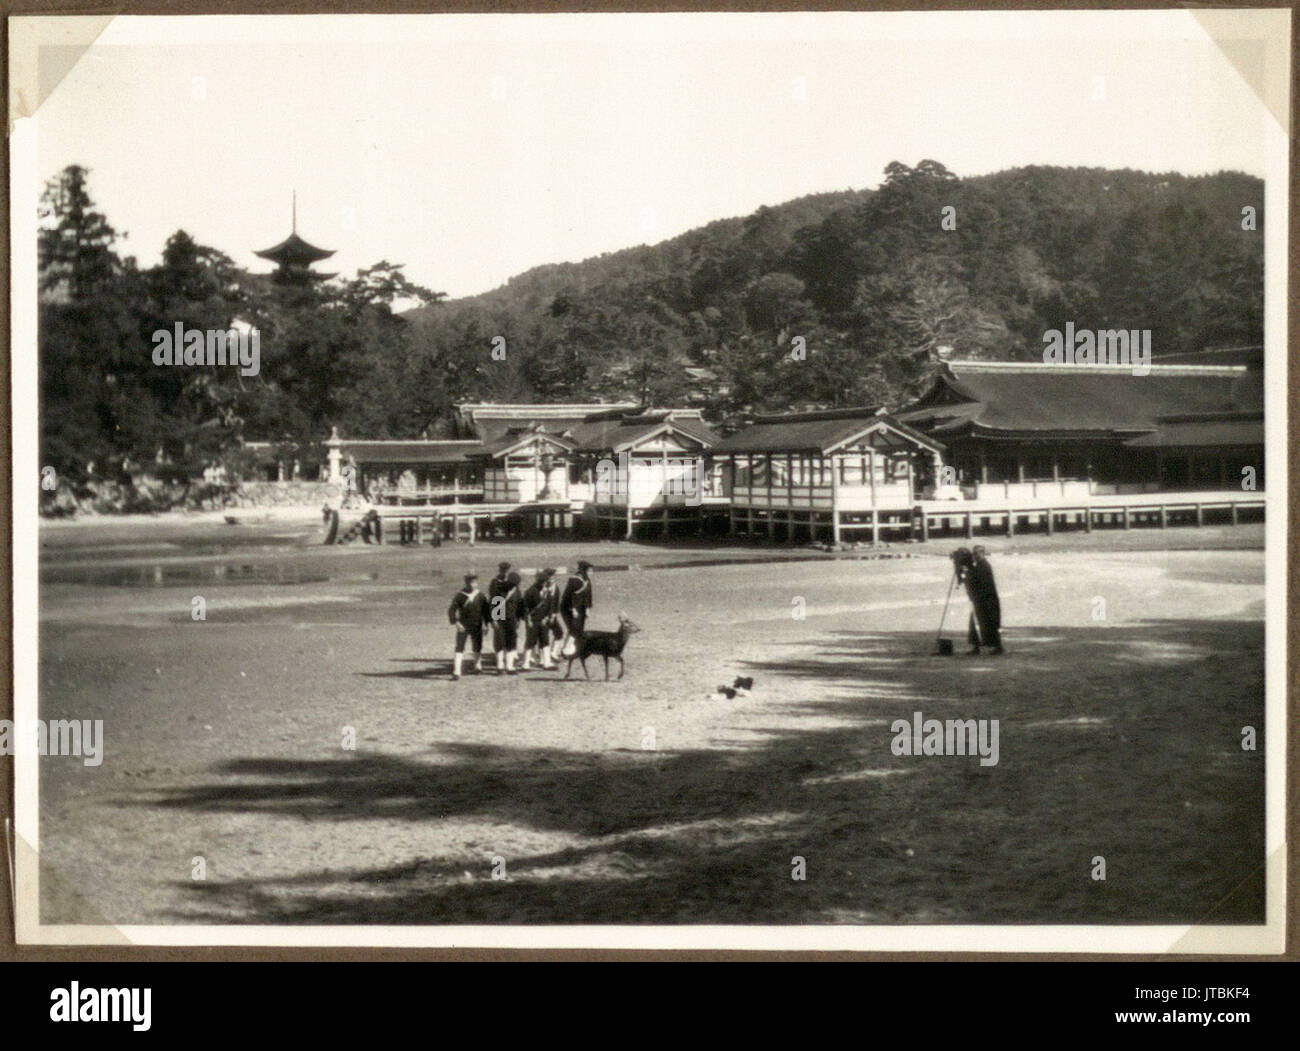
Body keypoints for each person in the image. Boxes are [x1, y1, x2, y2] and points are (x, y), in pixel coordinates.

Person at [953, 545, 1003, 655]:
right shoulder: (980, 565)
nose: (975, 556)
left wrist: (964, 572)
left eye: (977, 554)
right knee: (979, 622)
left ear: (982, 553)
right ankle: (979, 647)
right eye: (974, 554)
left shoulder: (984, 566)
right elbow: (972, 577)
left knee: (989, 622)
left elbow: (974, 579)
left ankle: (995, 647)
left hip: (987, 599)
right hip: (983, 599)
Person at [447, 572, 489, 679]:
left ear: (477, 583)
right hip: (464, 625)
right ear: (466, 583)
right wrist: (456, 622)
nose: (472, 585)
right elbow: (452, 610)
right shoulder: (460, 595)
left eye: (474, 582)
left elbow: (486, 611)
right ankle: (456, 671)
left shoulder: (480, 595)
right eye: (470, 582)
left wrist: (486, 624)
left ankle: (478, 666)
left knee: (477, 646)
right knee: (460, 647)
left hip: (477, 624)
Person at [522, 568, 557, 670]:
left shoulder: (547, 592)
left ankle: (547, 663)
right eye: (541, 581)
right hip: (533, 621)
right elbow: (525, 608)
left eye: (544, 581)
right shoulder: (530, 592)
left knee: (545, 641)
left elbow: (550, 606)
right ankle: (525, 664)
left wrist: (547, 617)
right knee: (530, 642)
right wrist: (528, 620)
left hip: (543, 621)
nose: (543, 583)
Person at [558, 559, 594, 657]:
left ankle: (574, 649)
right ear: (584, 571)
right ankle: (566, 651)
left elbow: (588, 595)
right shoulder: (575, 580)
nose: (592, 573)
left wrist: (587, 608)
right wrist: (573, 609)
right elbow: (570, 596)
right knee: (574, 629)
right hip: (569, 608)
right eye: (590, 571)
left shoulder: (586, 580)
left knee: (579, 629)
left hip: (580, 608)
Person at [490, 571, 523, 675]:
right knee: (499, 641)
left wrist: (518, 619)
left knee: (511, 642)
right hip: (500, 617)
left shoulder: (517, 591)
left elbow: (519, 605)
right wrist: (494, 620)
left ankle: (509, 666)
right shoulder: (499, 588)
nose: (514, 585)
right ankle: (500, 666)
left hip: (512, 618)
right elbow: (494, 604)